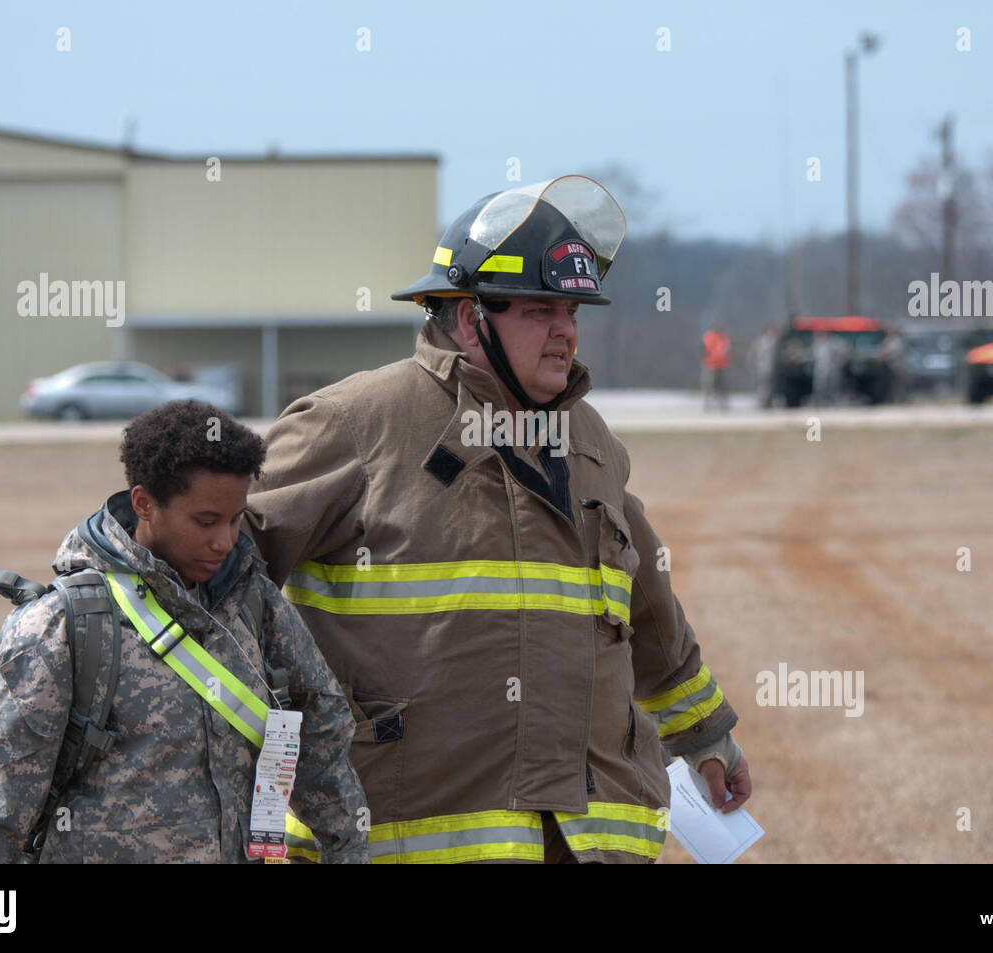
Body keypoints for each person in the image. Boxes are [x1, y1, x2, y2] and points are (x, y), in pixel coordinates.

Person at [247, 175, 751, 864]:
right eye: (540, 310)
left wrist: (705, 734)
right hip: (404, 832)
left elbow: (647, 603)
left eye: (573, 312)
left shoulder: (589, 440)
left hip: (584, 838)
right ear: (466, 316)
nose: (565, 331)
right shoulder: (354, 426)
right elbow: (212, 565)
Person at [0, 400, 369, 863]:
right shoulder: (63, 629)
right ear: (144, 504)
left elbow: (321, 737)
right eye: (205, 521)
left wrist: (350, 851)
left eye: (236, 519)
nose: (225, 540)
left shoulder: (256, 605)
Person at [812, 330, 849, 406]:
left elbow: (843, 353)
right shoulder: (817, 345)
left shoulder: (834, 344)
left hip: (832, 370)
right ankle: (820, 401)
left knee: (832, 386)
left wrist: (839, 363)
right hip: (820, 370)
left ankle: (832, 401)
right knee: (820, 387)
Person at [700, 325, 732, 411]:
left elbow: (727, 352)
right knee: (709, 386)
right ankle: (707, 405)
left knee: (722, 387)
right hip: (711, 365)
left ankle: (723, 405)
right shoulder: (709, 337)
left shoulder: (724, 338)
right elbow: (703, 350)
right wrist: (707, 360)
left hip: (722, 366)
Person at [749, 324, 781, 409]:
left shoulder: (775, 342)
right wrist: (753, 366)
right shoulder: (760, 342)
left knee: (771, 387)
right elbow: (752, 355)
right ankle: (763, 402)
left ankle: (769, 402)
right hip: (762, 368)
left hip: (773, 369)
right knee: (763, 387)